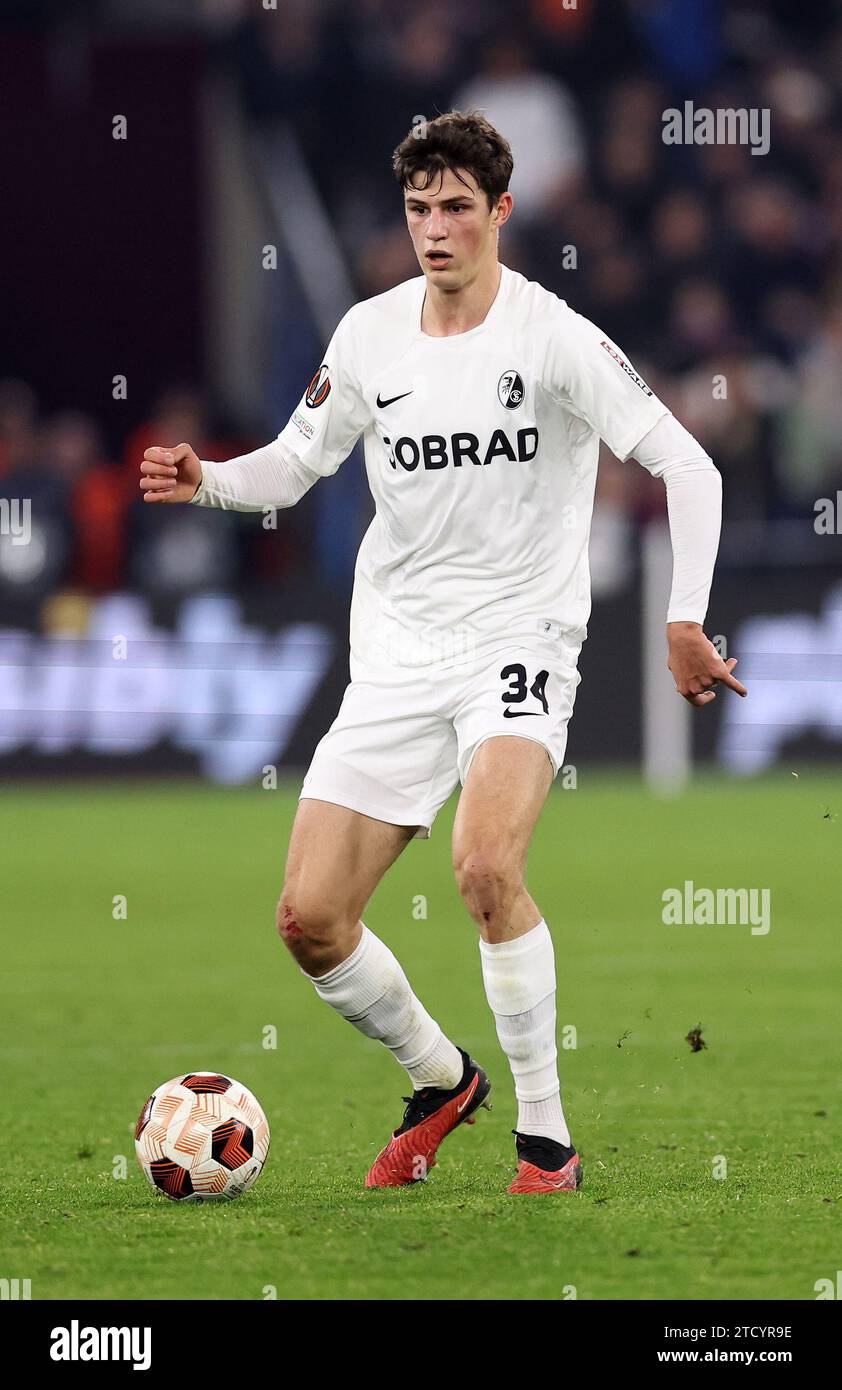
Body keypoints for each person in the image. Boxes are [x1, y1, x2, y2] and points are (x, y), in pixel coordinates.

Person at [139, 110, 746, 1195]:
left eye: (456, 207)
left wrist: (680, 616)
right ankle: (440, 1077)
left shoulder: (551, 334)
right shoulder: (369, 335)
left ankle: (546, 1140)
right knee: (310, 919)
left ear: (499, 213)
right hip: (397, 655)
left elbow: (686, 465)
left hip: (519, 638)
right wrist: (209, 478)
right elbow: (293, 464)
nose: (433, 228)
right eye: (418, 208)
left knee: (483, 864)